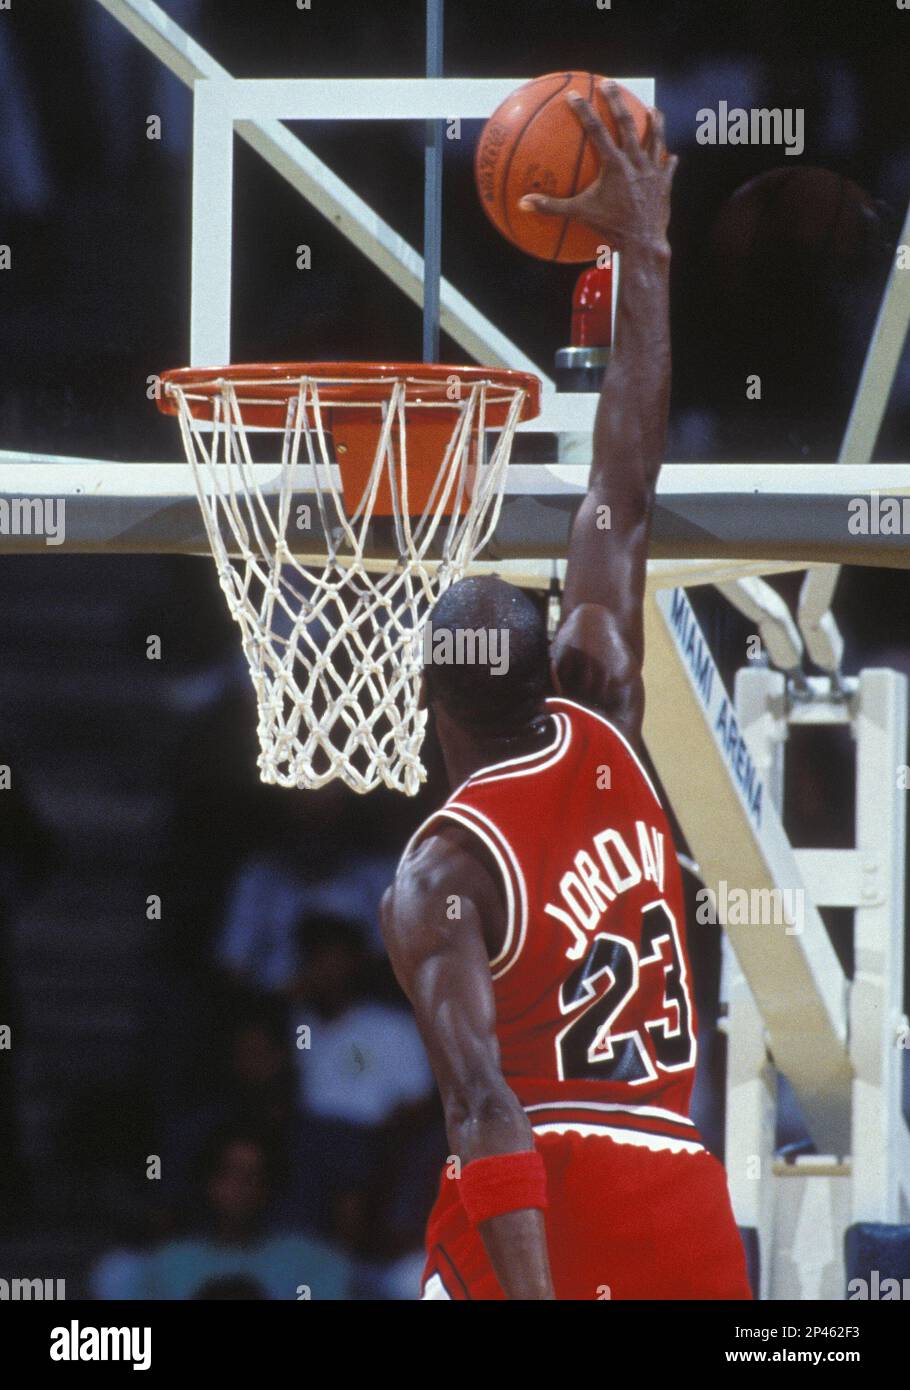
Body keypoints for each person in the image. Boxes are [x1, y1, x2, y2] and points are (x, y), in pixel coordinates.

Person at [381, 84, 752, 1301]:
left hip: (550, 1184)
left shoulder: (437, 871)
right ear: (553, 669)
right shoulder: (603, 704)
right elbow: (624, 479)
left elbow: (482, 1103)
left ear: (427, 704)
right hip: (683, 1193)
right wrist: (642, 244)